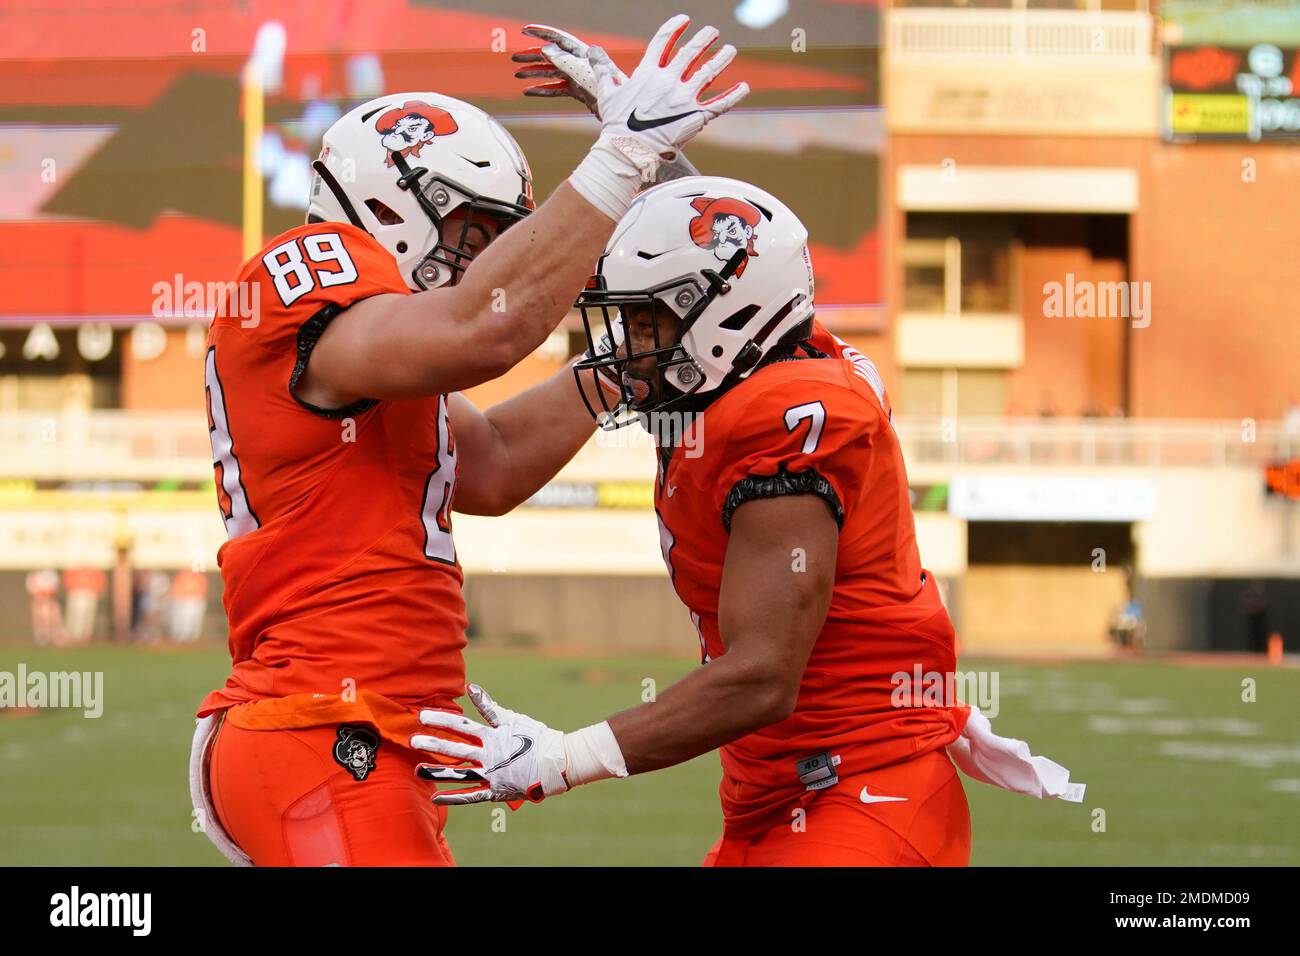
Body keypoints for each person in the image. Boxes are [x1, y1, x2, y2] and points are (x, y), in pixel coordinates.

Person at [189, 15, 749, 867]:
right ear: (392, 200)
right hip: (319, 723)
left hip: (376, 730)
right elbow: (484, 328)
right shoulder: (302, 275)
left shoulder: (374, 358)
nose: (481, 262)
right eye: (475, 236)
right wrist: (619, 157)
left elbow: (491, 467)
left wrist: (629, 364)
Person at [413, 177, 1085, 866]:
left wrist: (560, 759)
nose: (625, 344)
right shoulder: (759, 352)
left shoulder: (786, 416)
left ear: (728, 320)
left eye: (649, 319)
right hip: (776, 795)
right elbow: (742, 248)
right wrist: (644, 154)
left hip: (863, 792)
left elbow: (762, 676)